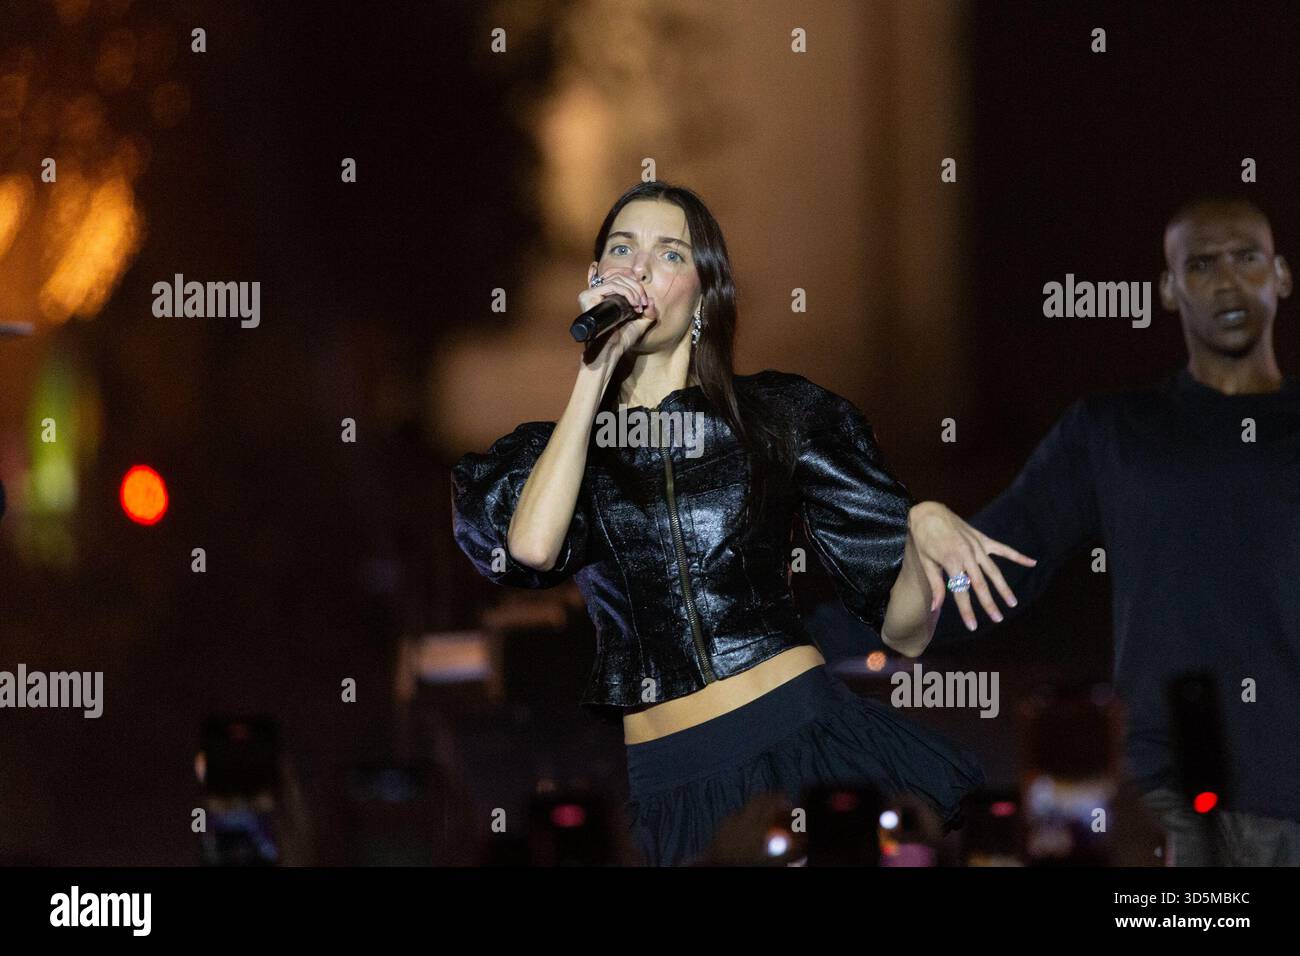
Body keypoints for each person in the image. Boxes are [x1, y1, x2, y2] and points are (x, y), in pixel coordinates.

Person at [450, 181, 1033, 866]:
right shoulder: (561, 457)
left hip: (801, 743)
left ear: (703, 294)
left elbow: (904, 630)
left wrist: (918, 529)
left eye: (669, 254)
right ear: (596, 278)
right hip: (668, 782)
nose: (639, 267)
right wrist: (594, 373)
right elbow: (533, 546)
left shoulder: (779, 416)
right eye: (621, 248)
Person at [914, 195, 1300, 865]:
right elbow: (990, 568)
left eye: (1247, 258)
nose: (1229, 281)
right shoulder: (1115, 431)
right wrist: (818, 622)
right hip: (1164, 805)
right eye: (1202, 264)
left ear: (1281, 275)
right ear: (1170, 289)